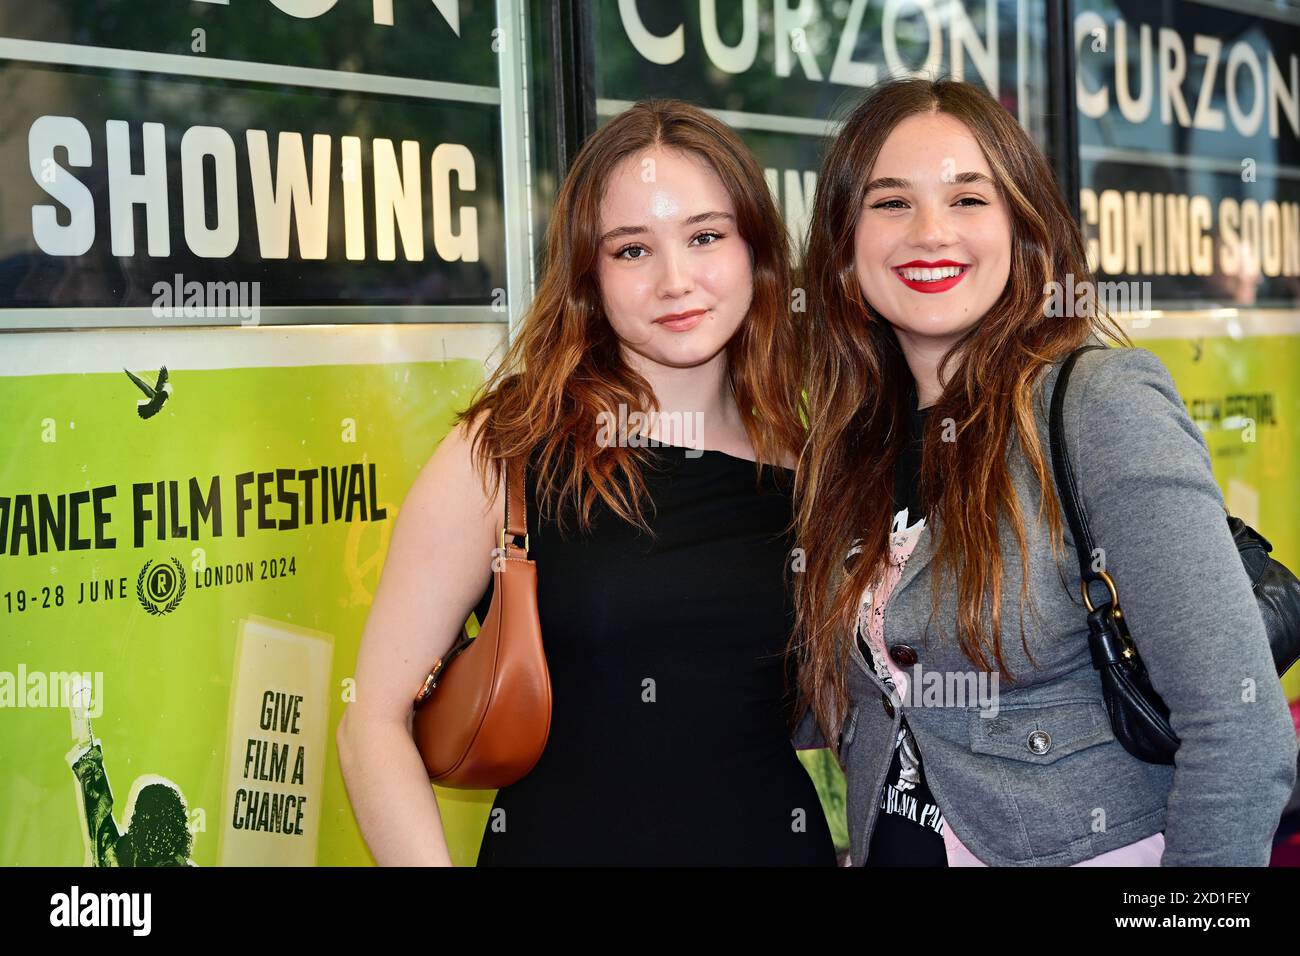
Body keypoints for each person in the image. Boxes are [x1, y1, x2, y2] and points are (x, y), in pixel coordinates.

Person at [790, 77, 1297, 866]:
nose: (930, 232)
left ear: (1024, 229)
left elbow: (1240, 731)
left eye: (968, 200)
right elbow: (835, 707)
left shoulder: (1097, 404)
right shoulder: (850, 445)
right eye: (891, 203)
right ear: (846, 248)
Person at [337, 99, 835, 866]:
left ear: (756, 251)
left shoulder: (811, 460)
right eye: (632, 251)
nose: (676, 281)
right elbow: (371, 723)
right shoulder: (509, 448)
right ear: (588, 274)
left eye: (705, 237)